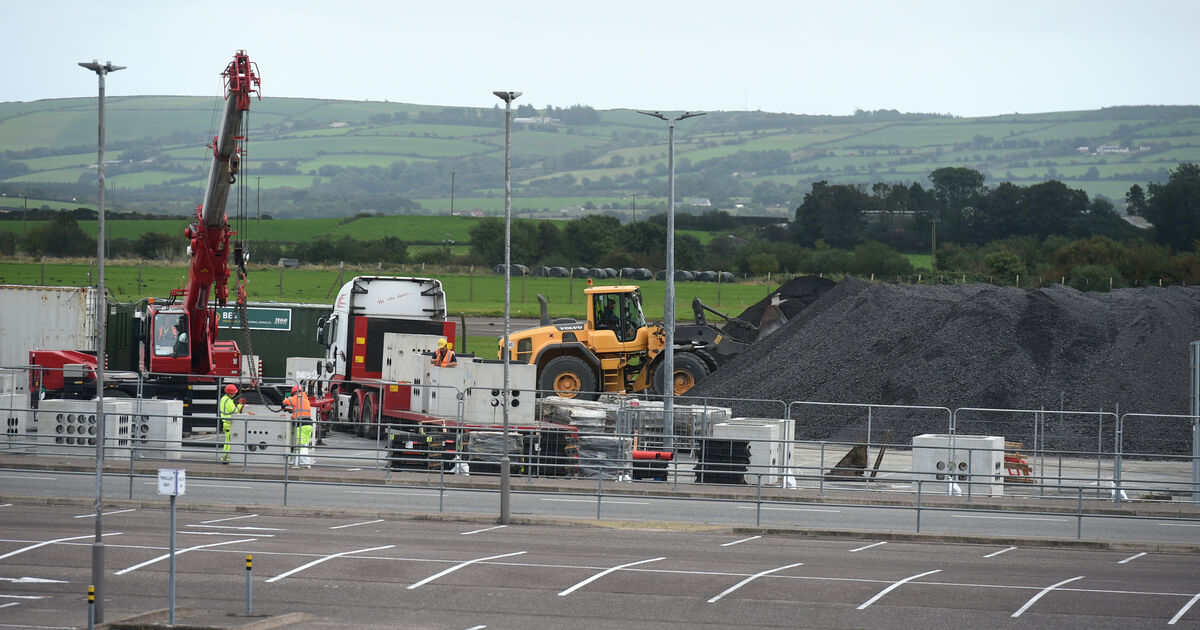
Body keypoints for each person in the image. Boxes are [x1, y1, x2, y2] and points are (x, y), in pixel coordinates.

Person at [283, 385, 314, 468]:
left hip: (301, 425)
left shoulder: (297, 398)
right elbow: (300, 409)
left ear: (295, 393)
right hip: (308, 424)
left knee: (301, 445)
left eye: (293, 394)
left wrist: (284, 405)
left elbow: (285, 401)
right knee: (301, 445)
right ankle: (293, 461)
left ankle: (306, 465)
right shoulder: (305, 399)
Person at [218, 383, 244, 464]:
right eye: (234, 393)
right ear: (230, 393)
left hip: (226, 422)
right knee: (229, 441)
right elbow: (234, 411)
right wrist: (240, 405)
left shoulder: (223, 398)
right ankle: (226, 458)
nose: (235, 394)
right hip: (229, 423)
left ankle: (225, 457)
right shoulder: (228, 401)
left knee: (227, 440)